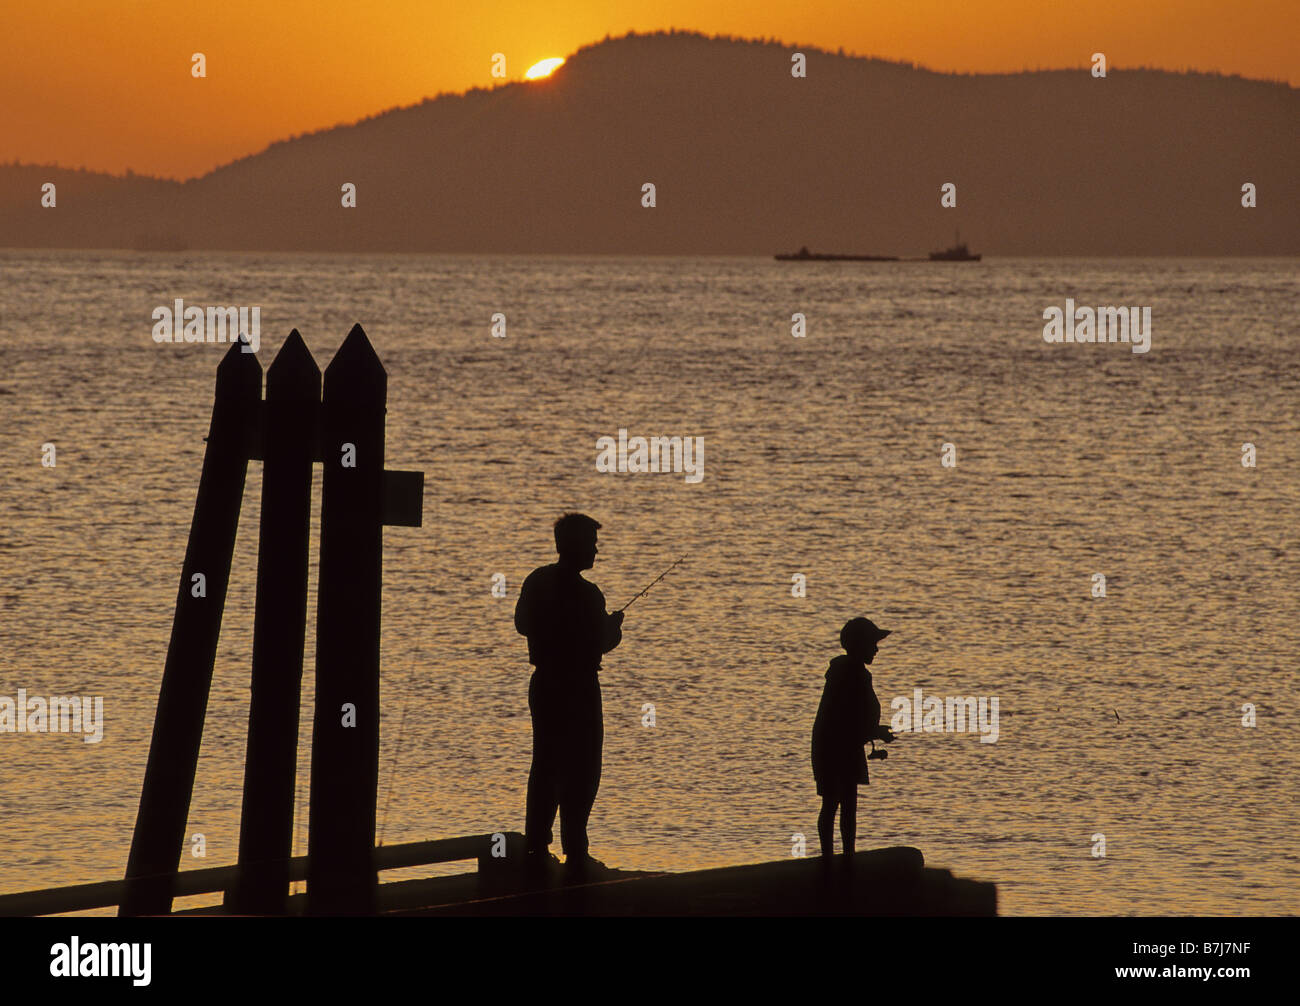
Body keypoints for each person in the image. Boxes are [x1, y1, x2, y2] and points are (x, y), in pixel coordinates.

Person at [514, 513, 623, 878]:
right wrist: (614, 629)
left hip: (544, 684)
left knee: (545, 763)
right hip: (578, 687)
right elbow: (601, 643)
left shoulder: (537, 580)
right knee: (583, 767)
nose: (595, 549)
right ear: (575, 546)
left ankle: (537, 845)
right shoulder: (589, 594)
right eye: (591, 543)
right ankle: (575, 850)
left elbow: (521, 625)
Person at [811, 617, 894, 862]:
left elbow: (851, 721)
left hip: (842, 747)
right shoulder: (852, 675)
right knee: (836, 804)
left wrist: (873, 731)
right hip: (835, 749)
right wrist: (875, 732)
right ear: (859, 645)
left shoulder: (849, 673)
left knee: (844, 804)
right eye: (872, 644)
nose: (876, 649)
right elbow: (844, 722)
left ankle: (844, 858)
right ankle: (833, 860)